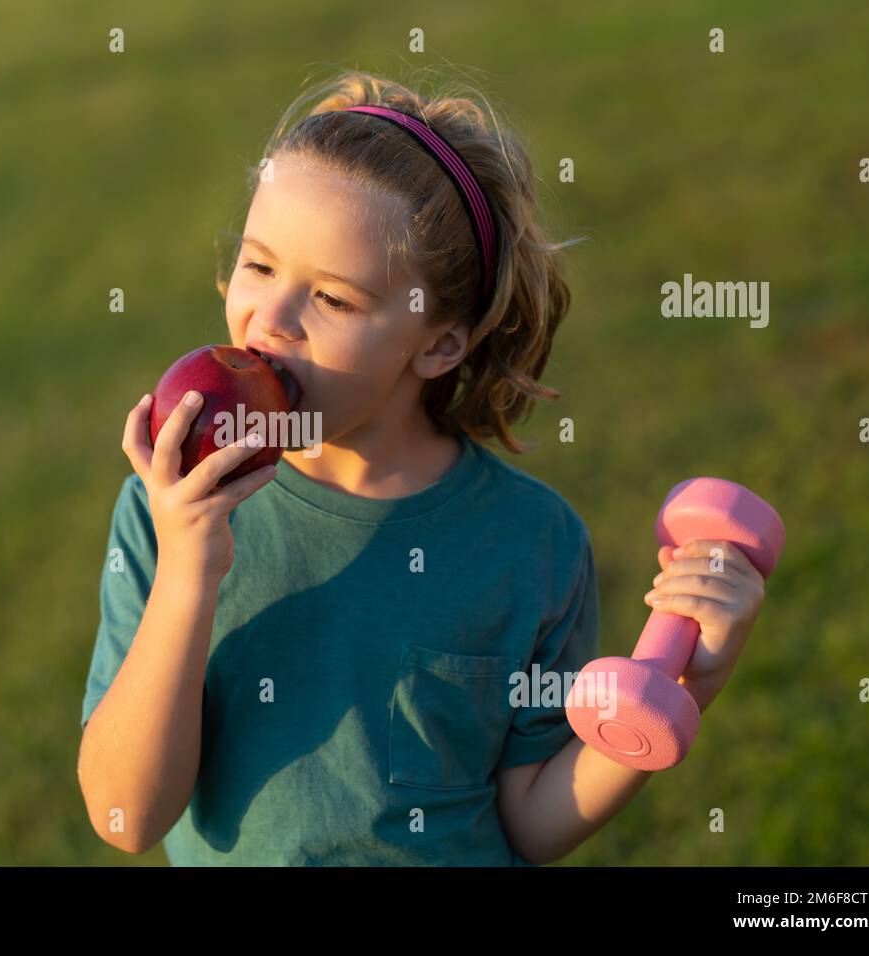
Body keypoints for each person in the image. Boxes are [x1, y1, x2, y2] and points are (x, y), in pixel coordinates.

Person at [76, 69, 767, 865]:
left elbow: (531, 823)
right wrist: (188, 568)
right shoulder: (165, 511)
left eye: (333, 300)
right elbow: (127, 818)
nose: (271, 319)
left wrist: (687, 687)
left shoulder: (531, 544)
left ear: (439, 343)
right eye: (259, 266)